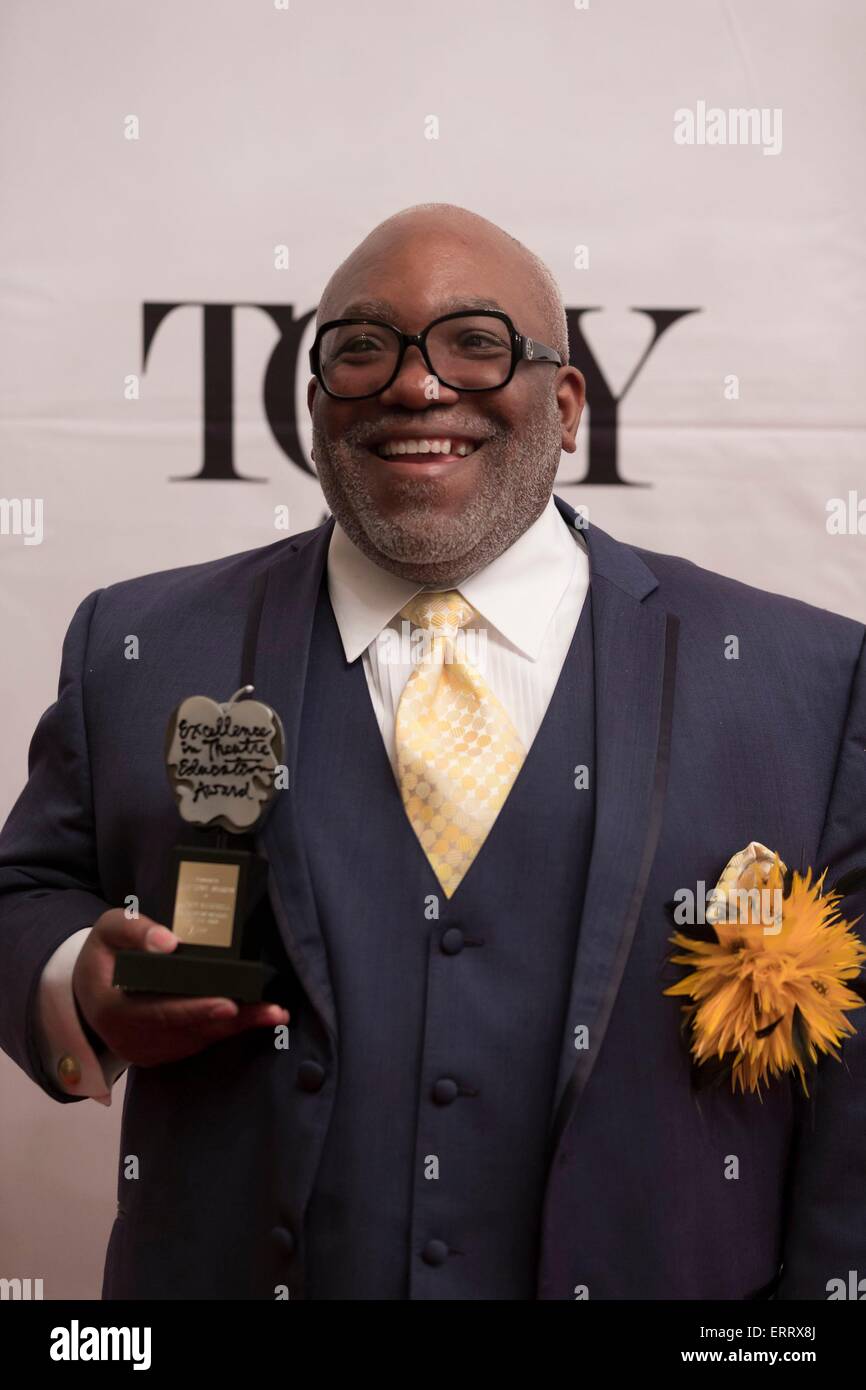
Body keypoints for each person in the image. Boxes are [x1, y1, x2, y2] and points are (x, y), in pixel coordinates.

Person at [0, 204, 864, 1300]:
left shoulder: (803, 679)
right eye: (361, 348)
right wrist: (79, 984)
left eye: (474, 342)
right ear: (313, 405)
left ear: (562, 405)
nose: (414, 385)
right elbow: (24, 891)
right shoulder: (138, 646)